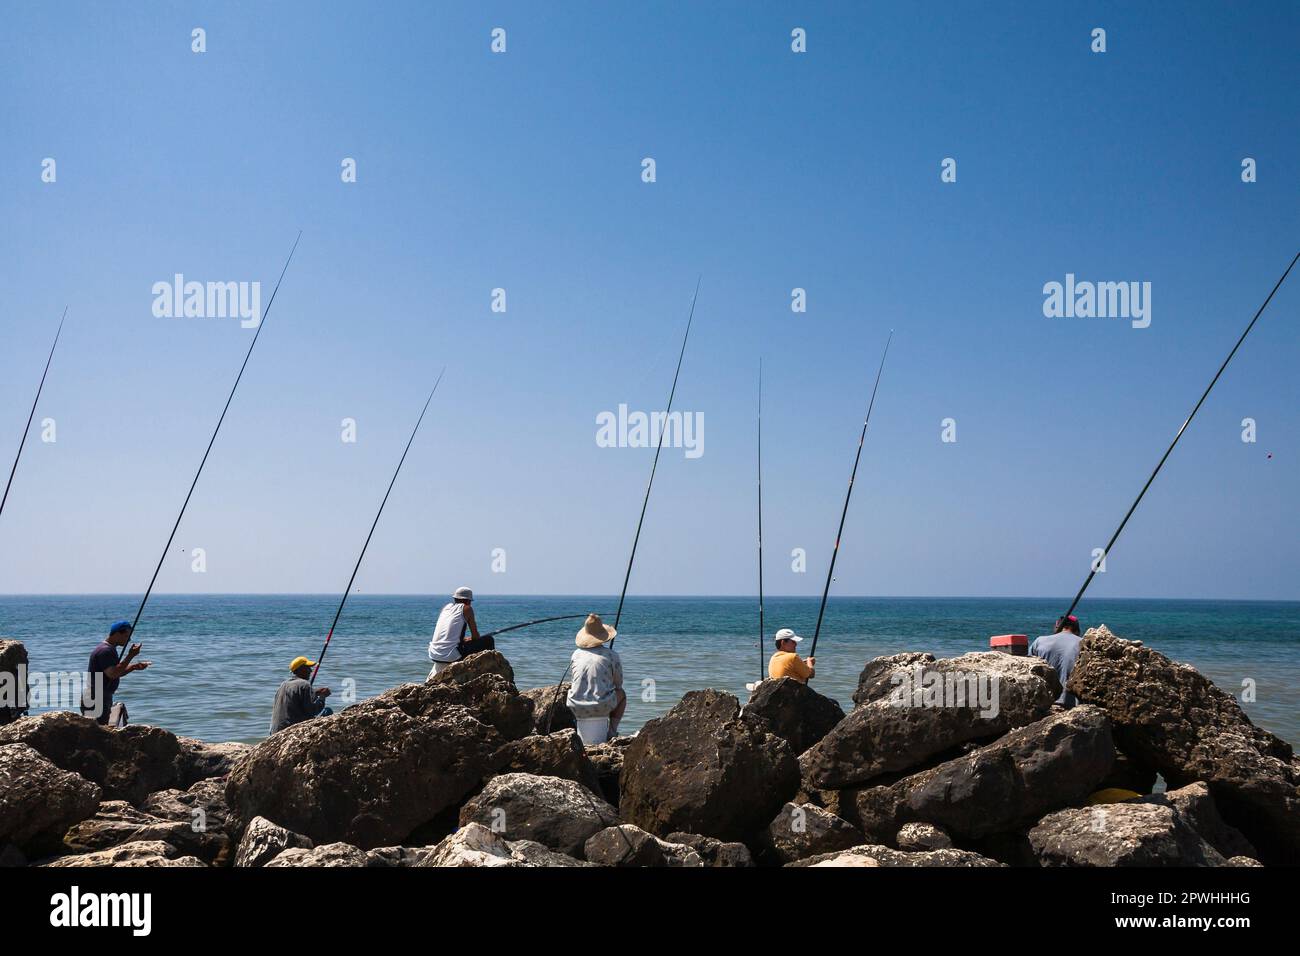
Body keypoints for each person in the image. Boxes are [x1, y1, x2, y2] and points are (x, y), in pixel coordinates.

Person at [566, 613, 626, 738]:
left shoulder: (575, 654)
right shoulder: (612, 655)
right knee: (621, 694)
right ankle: (612, 731)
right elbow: (618, 684)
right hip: (602, 707)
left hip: (575, 707)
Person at [81, 620, 150, 727]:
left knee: (98, 732)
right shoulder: (105, 651)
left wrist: (133, 667)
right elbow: (113, 674)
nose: (129, 639)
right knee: (98, 735)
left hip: (98, 696)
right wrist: (130, 655)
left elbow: (115, 673)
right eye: (127, 636)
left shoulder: (108, 649)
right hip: (97, 698)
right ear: (117, 634)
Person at [427, 586, 488, 677]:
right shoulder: (467, 608)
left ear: (455, 599)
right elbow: (475, 636)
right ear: (468, 601)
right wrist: (472, 638)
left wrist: (463, 640)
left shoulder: (445, 608)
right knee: (488, 640)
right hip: (451, 656)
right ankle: (486, 672)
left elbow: (448, 634)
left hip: (433, 654)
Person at [1029, 614, 1083, 708]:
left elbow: (1028, 670)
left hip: (1044, 704)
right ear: (1077, 630)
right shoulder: (1083, 644)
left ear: (1057, 626)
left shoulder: (1039, 641)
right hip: (1073, 705)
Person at [269, 656, 332, 734]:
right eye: (308, 668)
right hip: (290, 730)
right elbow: (312, 711)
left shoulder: (284, 684)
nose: (310, 671)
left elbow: (296, 696)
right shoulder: (305, 684)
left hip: (274, 731)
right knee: (327, 711)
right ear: (300, 670)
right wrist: (322, 697)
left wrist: (315, 692)